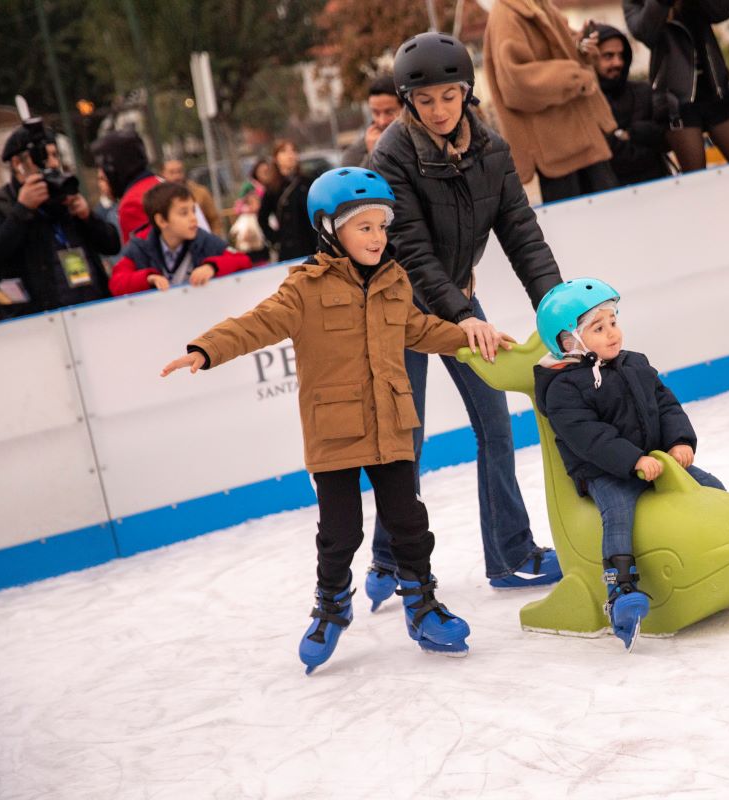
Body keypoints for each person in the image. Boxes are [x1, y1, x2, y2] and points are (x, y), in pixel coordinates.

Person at [160, 167, 492, 669]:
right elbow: (254, 326)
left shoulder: (395, 281)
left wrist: (471, 336)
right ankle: (332, 606)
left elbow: (420, 330)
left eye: (383, 225)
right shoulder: (304, 290)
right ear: (330, 229)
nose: (378, 236)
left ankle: (422, 603)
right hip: (335, 431)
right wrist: (205, 350)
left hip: (393, 422)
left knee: (409, 521)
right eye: (365, 227)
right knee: (341, 532)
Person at [368, 32, 567, 599]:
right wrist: (462, 315)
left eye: (447, 96)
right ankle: (389, 560)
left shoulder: (492, 150)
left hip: (456, 300)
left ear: (465, 93)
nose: (437, 109)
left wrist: (555, 309)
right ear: (409, 101)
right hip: (398, 310)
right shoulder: (392, 155)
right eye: (424, 100)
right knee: (409, 440)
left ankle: (510, 554)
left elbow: (523, 236)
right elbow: (408, 248)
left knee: (496, 426)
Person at [533, 278, 726, 650]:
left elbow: (665, 403)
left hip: (655, 460)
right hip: (604, 471)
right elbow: (590, 438)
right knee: (619, 510)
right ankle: (620, 589)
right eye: (599, 328)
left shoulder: (634, 363)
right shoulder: (563, 389)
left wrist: (679, 442)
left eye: (614, 322)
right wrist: (631, 460)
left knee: (710, 485)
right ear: (568, 341)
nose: (612, 333)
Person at [483, 0, 620, 202]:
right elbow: (516, 83)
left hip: (581, 141)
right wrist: (575, 78)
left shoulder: (540, 6)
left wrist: (582, 47)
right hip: (557, 149)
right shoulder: (507, 14)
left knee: (613, 216)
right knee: (577, 224)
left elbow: (565, 46)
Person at [0, 119, 120, 321]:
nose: (53, 164)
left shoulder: (64, 196)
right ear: (18, 164)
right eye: (44, 157)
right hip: (39, 322)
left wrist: (87, 217)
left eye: (55, 155)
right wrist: (22, 211)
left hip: (92, 312)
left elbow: (112, 244)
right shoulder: (3, 204)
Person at [624, 0, 729, 172]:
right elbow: (645, 32)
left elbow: (723, 11)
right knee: (695, 178)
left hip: (715, 87)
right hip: (676, 100)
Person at [109, 182, 251, 295]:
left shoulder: (202, 239)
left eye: (193, 211)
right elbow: (116, 282)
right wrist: (147, 279)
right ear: (161, 221)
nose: (193, 218)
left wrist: (212, 267)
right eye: (184, 213)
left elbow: (241, 260)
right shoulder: (140, 245)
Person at [593, 24, 672, 186]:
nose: (617, 62)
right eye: (608, 56)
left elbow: (667, 137)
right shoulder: (587, 103)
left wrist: (632, 133)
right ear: (591, 59)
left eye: (621, 56)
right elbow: (604, 155)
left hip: (658, 186)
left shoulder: (643, 92)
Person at [91, 129, 162, 244]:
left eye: (103, 167)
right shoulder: (161, 183)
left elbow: (142, 257)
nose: (101, 174)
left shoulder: (132, 203)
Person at [258, 140, 318, 261]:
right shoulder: (273, 187)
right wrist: (276, 240)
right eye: (284, 151)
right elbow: (262, 218)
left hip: (313, 245)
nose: (290, 155)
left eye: (293, 151)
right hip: (289, 249)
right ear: (275, 158)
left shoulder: (308, 182)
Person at [341, 75, 403, 168]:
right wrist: (374, 155)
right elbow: (354, 182)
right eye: (376, 113)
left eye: (389, 112)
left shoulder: (418, 140)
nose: (382, 121)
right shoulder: (355, 153)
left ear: (405, 109)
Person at [161, 158, 223, 237]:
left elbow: (215, 220)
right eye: (172, 172)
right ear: (163, 174)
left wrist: (213, 240)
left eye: (179, 171)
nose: (177, 176)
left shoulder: (201, 193)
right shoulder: (159, 198)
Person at [229, 189, 270, 265]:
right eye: (251, 203)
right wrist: (241, 237)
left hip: (262, 249)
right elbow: (235, 231)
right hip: (248, 251)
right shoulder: (245, 218)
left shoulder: (262, 217)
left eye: (257, 202)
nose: (255, 205)